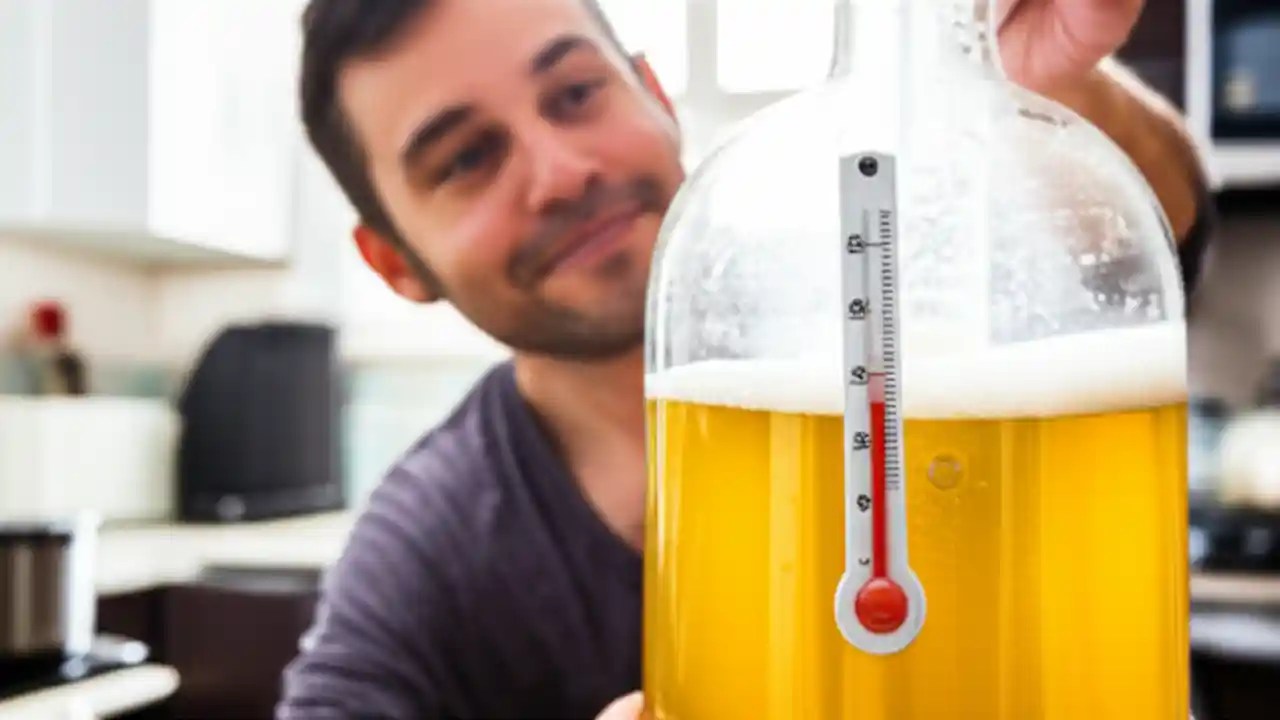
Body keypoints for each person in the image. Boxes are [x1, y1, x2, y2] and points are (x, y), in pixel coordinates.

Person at [278, 0, 1210, 718]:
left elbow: (1161, 234)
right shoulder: (428, 551)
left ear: (655, 91)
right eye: (466, 158)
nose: (561, 171)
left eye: (575, 93)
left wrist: (1015, 79)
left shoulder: (906, 275)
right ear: (393, 262)